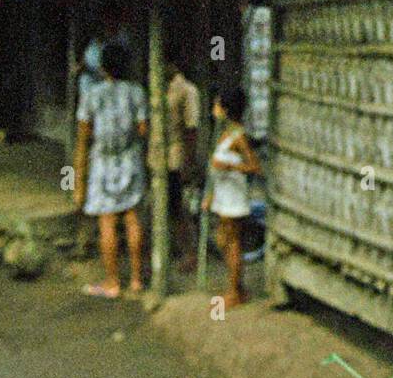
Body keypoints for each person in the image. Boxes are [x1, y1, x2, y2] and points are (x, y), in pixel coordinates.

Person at [73, 41, 147, 299]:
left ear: (103, 67)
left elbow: (83, 137)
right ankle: (137, 280)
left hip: (103, 162)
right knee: (131, 217)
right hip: (130, 159)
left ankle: (113, 283)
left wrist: (78, 183)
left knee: (107, 221)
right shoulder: (137, 92)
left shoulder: (92, 94)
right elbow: (142, 130)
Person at [202, 87, 261, 308]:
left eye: (217, 105)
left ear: (225, 109)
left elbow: (255, 167)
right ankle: (237, 287)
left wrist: (229, 165)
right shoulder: (224, 134)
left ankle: (235, 292)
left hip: (234, 197)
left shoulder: (238, 136)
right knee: (224, 240)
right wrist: (211, 195)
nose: (214, 109)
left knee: (232, 242)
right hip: (223, 196)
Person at [152, 60, 200, 274]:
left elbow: (191, 130)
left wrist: (188, 163)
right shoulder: (158, 86)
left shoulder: (188, 91)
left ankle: (190, 253)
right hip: (157, 156)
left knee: (180, 208)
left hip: (175, 157)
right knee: (167, 206)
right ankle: (173, 249)